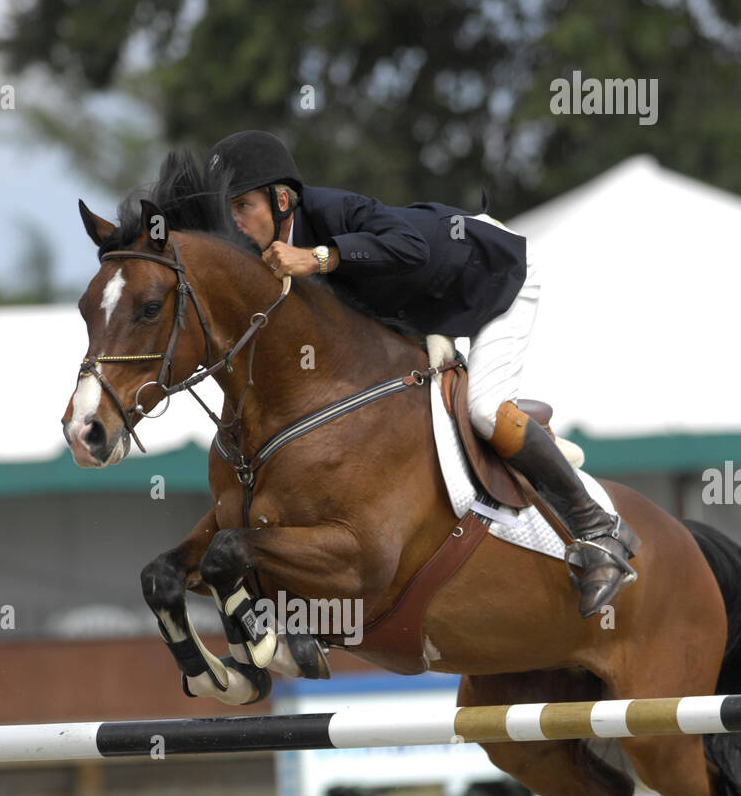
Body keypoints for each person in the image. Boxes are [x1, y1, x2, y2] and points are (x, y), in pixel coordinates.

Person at [206, 130, 639, 617]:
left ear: (281, 198)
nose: (237, 222)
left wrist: (318, 257)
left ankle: (599, 528)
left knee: (484, 410)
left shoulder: (329, 214)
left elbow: (409, 247)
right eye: (232, 210)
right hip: (430, 310)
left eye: (243, 206)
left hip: (494, 276)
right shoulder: (272, 253)